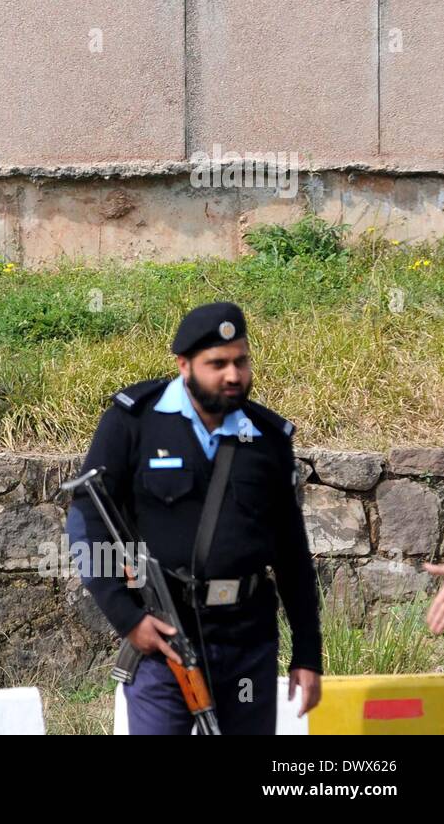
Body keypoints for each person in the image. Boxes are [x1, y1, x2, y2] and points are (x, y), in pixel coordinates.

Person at [67, 302, 322, 734]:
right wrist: (127, 617)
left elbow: (292, 551)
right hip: (164, 642)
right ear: (183, 365)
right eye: (217, 364)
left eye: (241, 361)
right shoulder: (134, 421)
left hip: (248, 645)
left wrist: (308, 653)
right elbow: (88, 523)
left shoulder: (267, 438)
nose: (233, 375)